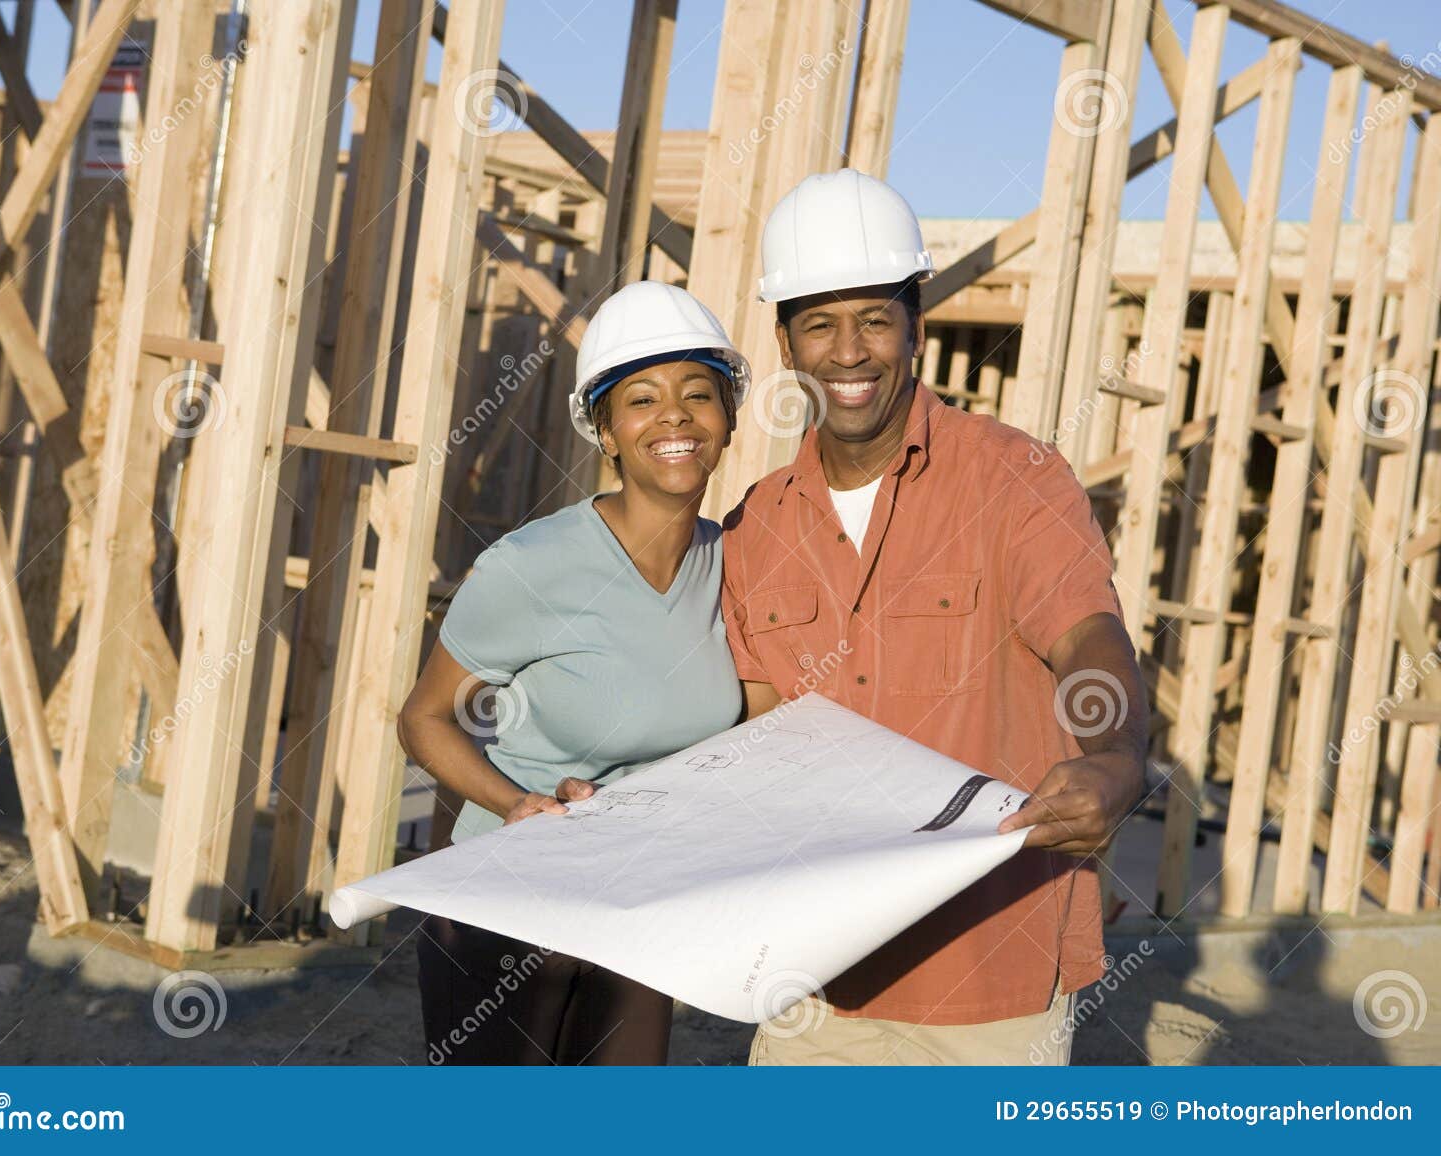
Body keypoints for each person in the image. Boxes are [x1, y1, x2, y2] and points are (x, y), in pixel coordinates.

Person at [723, 168, 1149, 1065]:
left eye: (875, 319)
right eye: (819, 324)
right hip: (812, 977)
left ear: (916, 324)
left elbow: (1085, 633)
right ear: (785, 341)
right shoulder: (757, 525)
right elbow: (756, 733)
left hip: (988, 971)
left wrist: (1116, 755)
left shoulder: (1014, 478)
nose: (850, 352)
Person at [397, 280, 751, 1065]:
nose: (675, 417)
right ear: (606, 432)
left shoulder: (734, 563)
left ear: (728, 419)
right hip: (506, 902)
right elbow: (422, 718)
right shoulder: (534, 565)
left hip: (634, 905)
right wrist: (514, 803)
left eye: (698, 394)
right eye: (642, 400)